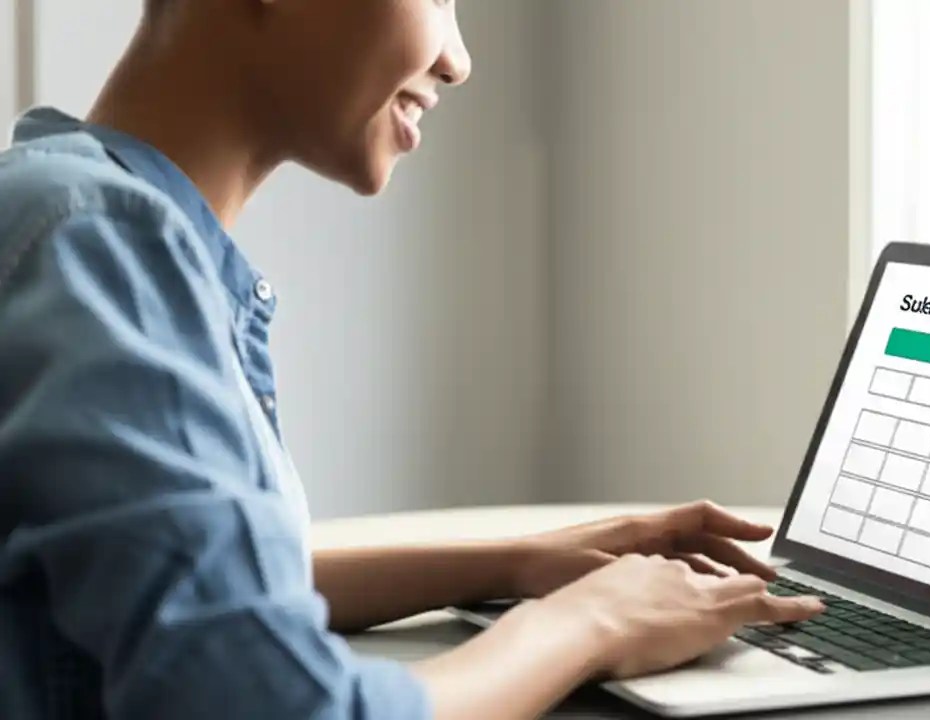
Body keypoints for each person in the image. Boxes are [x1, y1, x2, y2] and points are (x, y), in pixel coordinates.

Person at [0, 1, 823, 718]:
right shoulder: (102, 243)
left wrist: (515, 564)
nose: (456, 61)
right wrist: (591, 623)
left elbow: (195, 588)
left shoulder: (74, 215)